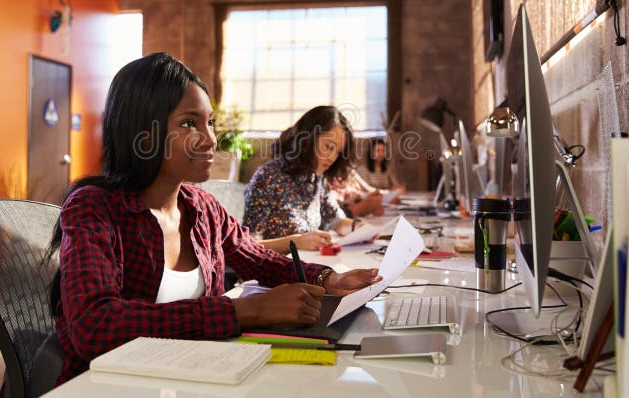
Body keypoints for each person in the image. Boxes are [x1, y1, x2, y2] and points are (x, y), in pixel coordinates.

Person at [45, 54, 380, 385]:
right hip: (110, 386)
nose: (211, 140)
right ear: (144, 134)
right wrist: (247, 311)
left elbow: (258, 259)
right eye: (190, 123)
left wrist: (328, 279)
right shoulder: (94, 208)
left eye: (210, 123)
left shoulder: (202, 208)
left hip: (195, 378)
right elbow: (94, 326)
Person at [243, 106, 367, 253]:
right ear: (307, 139)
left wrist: (358, 228)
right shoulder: (267, 177)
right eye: (329, 147)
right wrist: (296, 242)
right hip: (273, 271)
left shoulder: (316, 177)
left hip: (307, 267)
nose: (333, 158)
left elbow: (336, 220)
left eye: (338, 152)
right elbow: (247, 246)